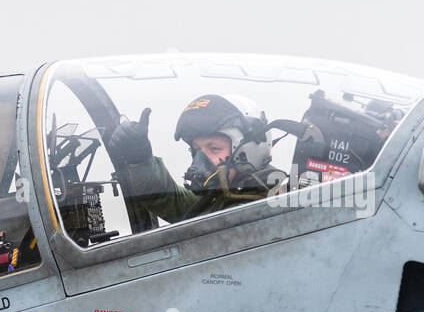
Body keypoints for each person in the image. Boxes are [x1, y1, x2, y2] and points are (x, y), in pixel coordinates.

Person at [103, 93, 287, 229]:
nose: (201, 159)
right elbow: (166, 199)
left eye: (214, 148)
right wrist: (140, 161)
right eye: (196, 150)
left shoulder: (281, 202)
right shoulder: (219, 200)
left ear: (247, 150)